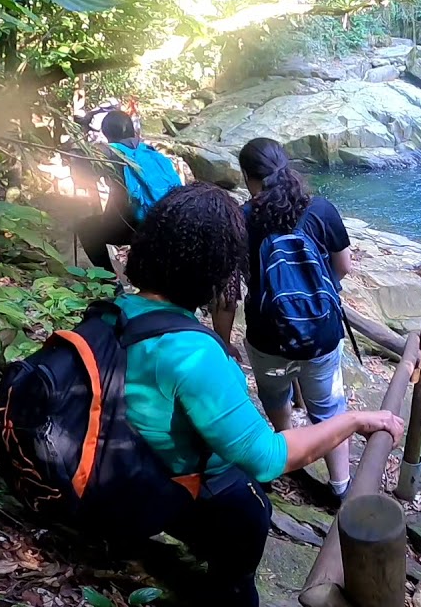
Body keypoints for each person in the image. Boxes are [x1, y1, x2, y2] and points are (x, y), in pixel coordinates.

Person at [120, 181, 403, 606]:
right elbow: (266, 458)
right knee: (249, 505)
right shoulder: (194, 355)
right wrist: (355, 420)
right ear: (217, 271)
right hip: (160, 485)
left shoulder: (115, 310)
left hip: (121, 462)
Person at [218, 137, 356, 500]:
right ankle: (341, 487)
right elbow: (343, 267)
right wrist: (316, 295)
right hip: (322, 333)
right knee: (328, 408)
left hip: (267, 336)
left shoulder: (241, 220)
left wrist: (223, 341)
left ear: (247, 176)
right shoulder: (320, 209)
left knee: (276, 395)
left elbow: (227, 294)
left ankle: (288, 457)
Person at [75, 110, 179, 270]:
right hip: (170, 222)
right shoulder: (151, 152)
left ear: (106, 133)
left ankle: (110, 279)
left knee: (87, 228)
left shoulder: (110, 152)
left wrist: (82, 132)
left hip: (136, 226)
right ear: (132, 130)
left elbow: (81, 168)